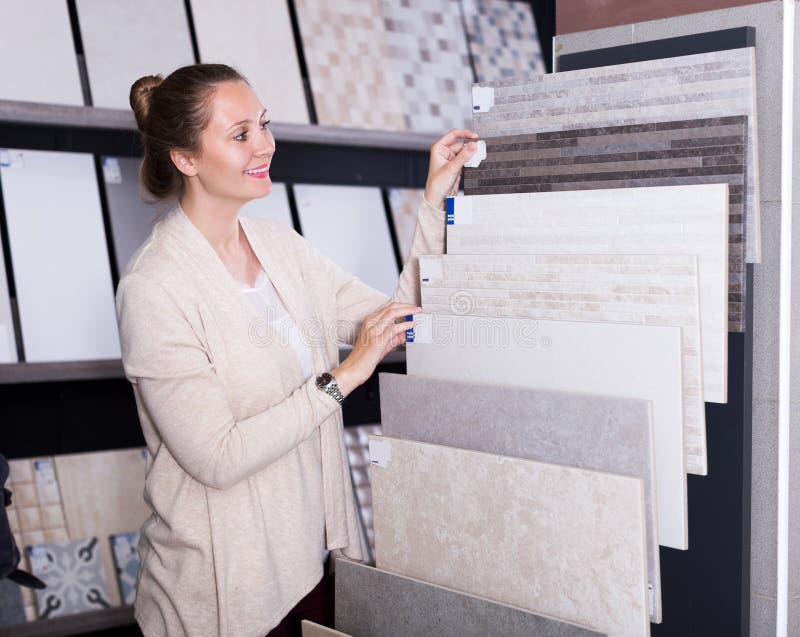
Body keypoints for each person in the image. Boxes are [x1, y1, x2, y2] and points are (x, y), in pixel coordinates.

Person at [115, 63, 478, 637]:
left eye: (264, 124)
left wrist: (435, 201)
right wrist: (345, 375)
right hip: (223, 598)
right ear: (184, 159)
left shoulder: (281, 248)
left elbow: (396, 320)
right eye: (240, 135)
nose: (265, 145)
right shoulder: (154, 288)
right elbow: (217, 458)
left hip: (314, 571)